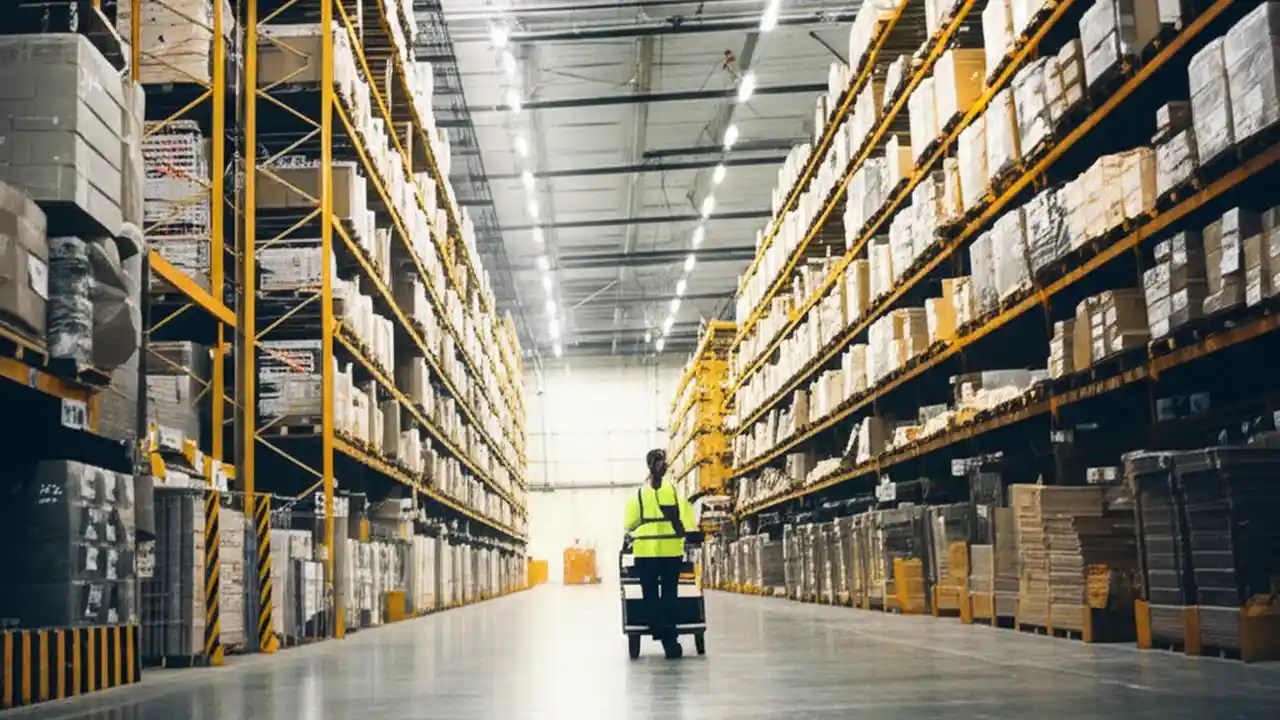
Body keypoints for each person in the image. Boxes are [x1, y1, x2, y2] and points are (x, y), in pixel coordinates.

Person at [624, 448, 695, 658]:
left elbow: (629, 523)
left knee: (651, 597)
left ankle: (663, 634)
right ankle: (669, 639)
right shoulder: (672, 491)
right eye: (660, 462)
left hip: (646, 554)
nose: (663, 466)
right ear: (652, 465)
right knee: (669, 596)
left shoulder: (638, 495)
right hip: (669, 553)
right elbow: (685, 518)